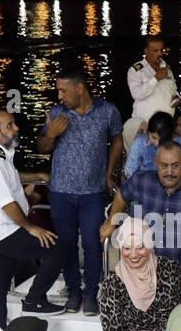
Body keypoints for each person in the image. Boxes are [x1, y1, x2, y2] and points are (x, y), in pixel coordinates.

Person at [37, 67, 124, 316]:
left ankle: (90, 295)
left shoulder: (108, 111)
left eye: (63, 90)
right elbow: (42, 147)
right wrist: (51, 134)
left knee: (92, 244)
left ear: (79, 88)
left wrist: (108, 172)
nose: (60, 96)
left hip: (92, 193)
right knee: (66, 245)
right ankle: (73, 292)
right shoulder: (57, 113)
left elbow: (117, 139)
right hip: (60, 192)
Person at [0, 109, 66, 327]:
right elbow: (7, 204)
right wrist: (32, 228)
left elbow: (11, 176)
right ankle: (34, 300)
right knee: (57, 249)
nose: (16, 128)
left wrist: (37, 176)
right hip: (4, 232)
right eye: (10, 125)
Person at [99, 141, 181, 305]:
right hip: (147, 281)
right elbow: (122, 195)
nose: (169, 172)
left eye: (175, 166)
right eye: (163, 166)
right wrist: (111, 221)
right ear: (156, 164)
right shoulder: (141, 182)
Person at [98, 217, 181, 331]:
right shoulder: (111, 287)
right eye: (126, 248)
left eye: (140, 247)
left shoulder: (171, 269)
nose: (133, 255)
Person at [125, 36, 179, 149]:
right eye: (155, 50)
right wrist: (156, 79)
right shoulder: (136, 70)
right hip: (144, 127)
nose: (160, 53)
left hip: (165, 128)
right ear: (146, 51)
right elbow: (137, 94)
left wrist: (177, 97)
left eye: (161, 50)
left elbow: (174, 90)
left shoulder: (167, 69)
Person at [123, 110, 181, 179]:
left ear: (172, 136)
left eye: (162, 140)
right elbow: (129, 170)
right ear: (148, 131)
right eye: (153, 137)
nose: (157, 143)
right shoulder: (139, 143)